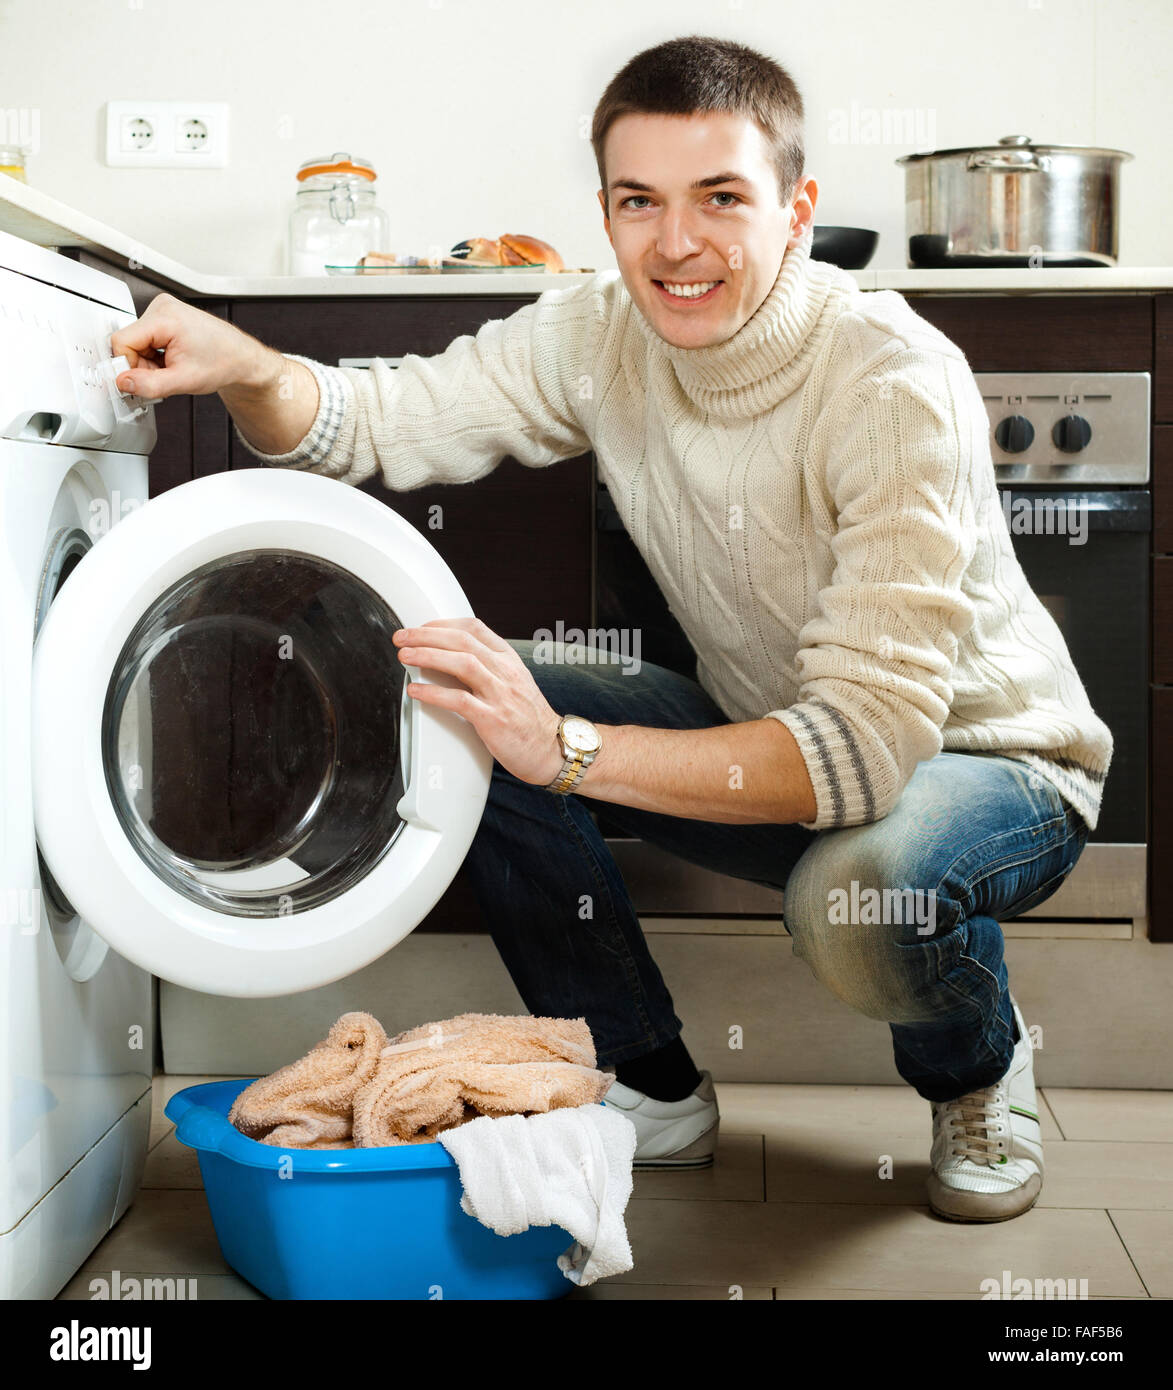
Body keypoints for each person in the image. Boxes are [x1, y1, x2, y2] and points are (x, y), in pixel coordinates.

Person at [111, 35, 1108, 1222]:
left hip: (993, 764)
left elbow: (862, 751)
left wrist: (572, 749)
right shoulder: (599, 333)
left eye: (721, 199)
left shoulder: (890, 378)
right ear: (606, 210)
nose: (675, 245)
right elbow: (374, 419)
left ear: (797, 210)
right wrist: (246, 364)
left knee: (862, 890)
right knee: (467, 702)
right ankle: (649, 1084)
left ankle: (977, 1069)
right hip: (775, 731)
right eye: (641, 202)